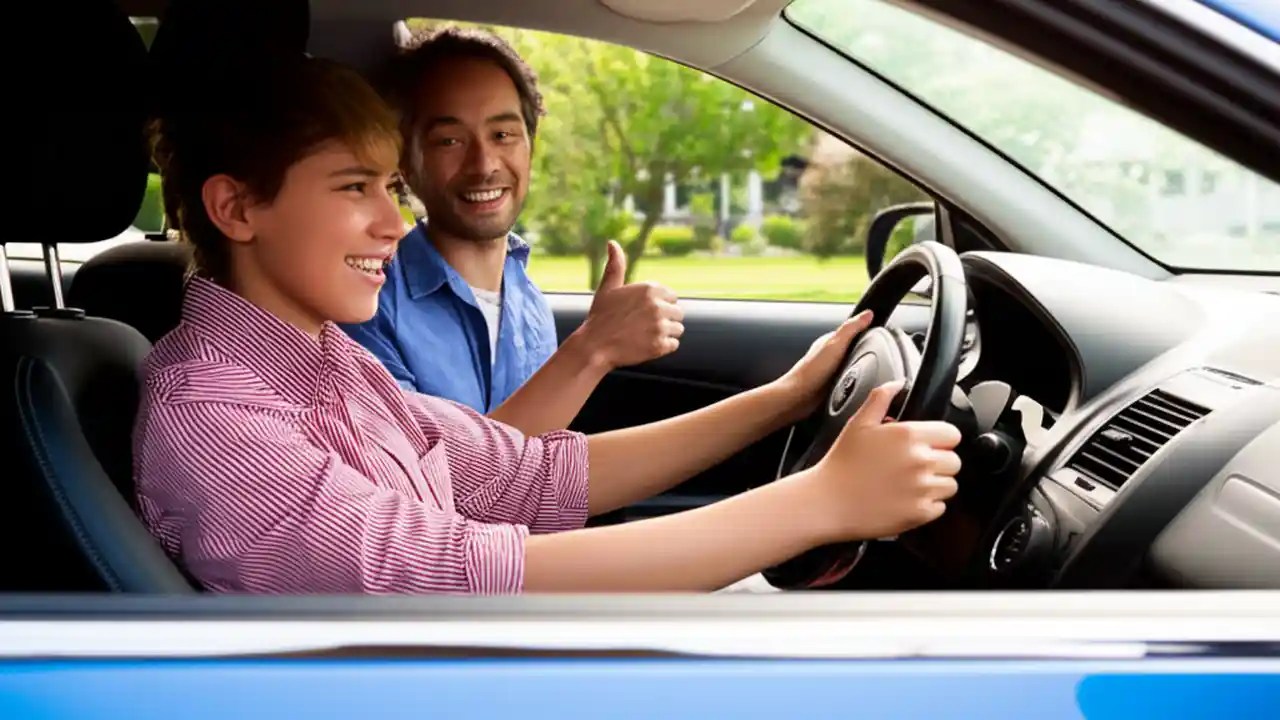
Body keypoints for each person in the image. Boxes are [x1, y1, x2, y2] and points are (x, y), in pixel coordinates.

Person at [133, 54, 962, 595]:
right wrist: (819, 503)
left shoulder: (327, 367)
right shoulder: (217, 418)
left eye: (391, 188)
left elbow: (530, 477)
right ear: (237, 207)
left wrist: (785, 399)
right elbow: (479, 576)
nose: (392, 223)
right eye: (356, 189)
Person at [342, 26, 678, 436]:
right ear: (406, 163)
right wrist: (591, 350)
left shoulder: (527, 298)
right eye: (449, 141)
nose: (484, 164)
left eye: (503, 135)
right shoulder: (365, 308)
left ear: (530, 147)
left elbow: (545, 471)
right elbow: (433, 482)